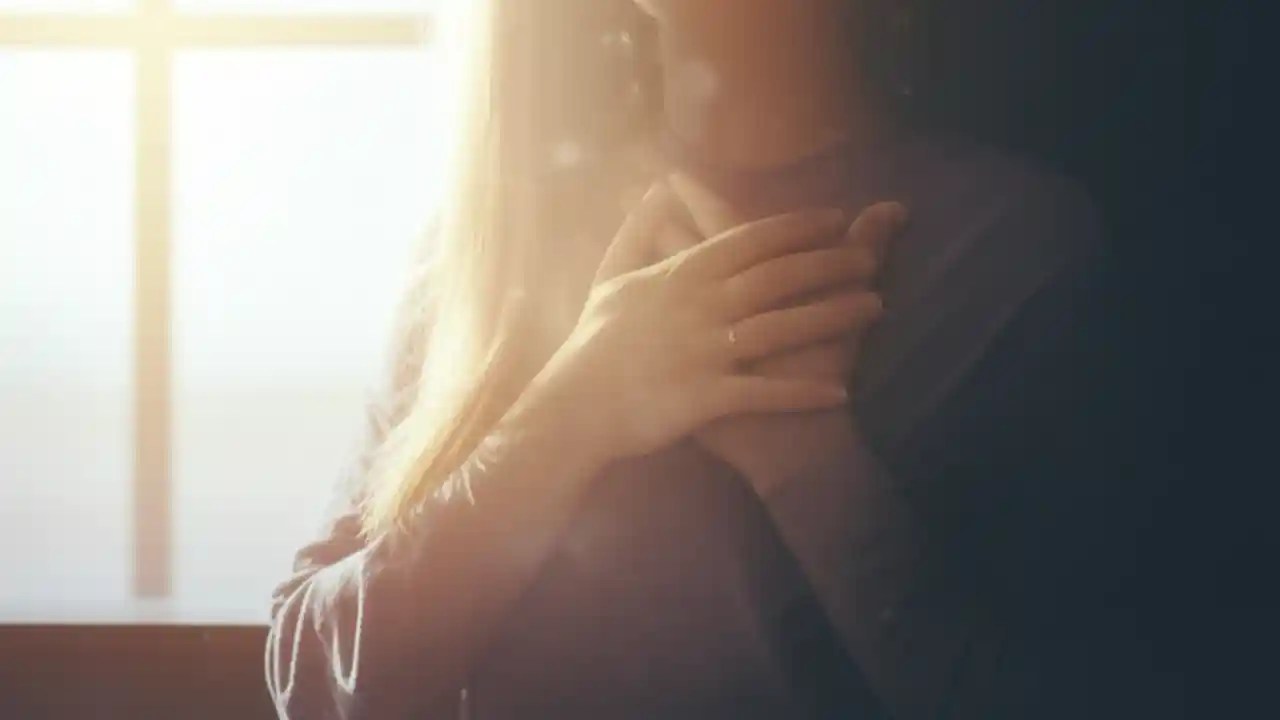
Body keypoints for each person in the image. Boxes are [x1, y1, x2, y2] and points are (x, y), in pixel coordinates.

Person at [266, 1, 1118, 717]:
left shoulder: (1018, 253)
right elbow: (308, 683)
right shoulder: (495, 246)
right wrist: (569, 415)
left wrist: (804, 457)